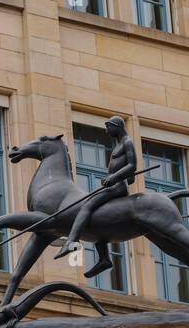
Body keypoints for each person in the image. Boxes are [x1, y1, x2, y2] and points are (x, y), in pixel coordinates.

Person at [54, 115, 136, 271]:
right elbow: (130, 175)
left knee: (87, 206)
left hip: (118, 187)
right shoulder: (119, 143)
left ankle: (71, 241)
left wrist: (114, 177)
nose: (106, 131)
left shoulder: (128, 142)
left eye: (108, 127)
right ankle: (104, 258)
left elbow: (132, 166)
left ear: (117, 126)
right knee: (99, 216)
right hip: (113, 185)